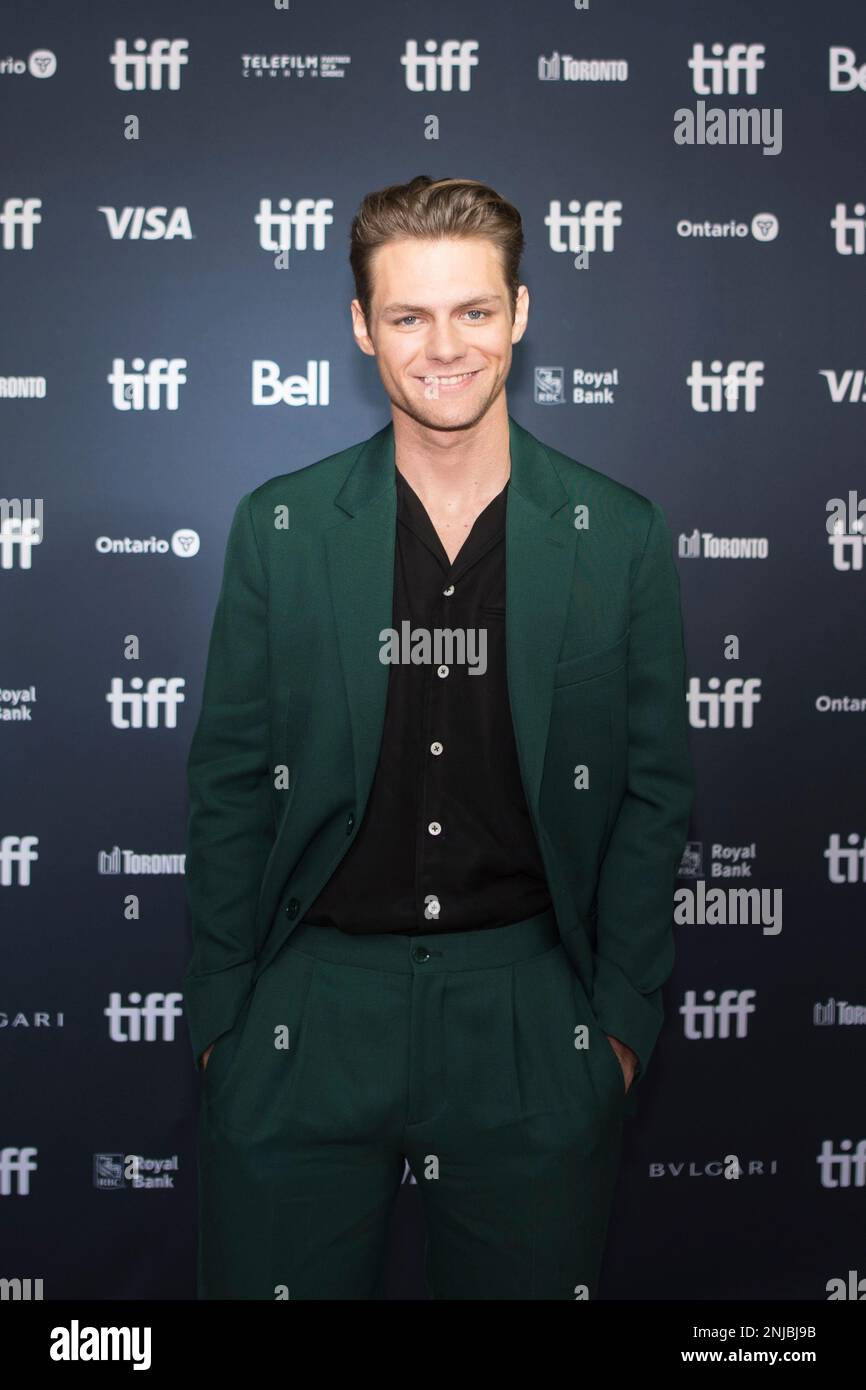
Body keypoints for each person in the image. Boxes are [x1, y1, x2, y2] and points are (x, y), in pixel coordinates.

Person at [183, 174, 695, 1300]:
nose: (443, 346)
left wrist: (613, 1025)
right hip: (309, 1010)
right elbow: (228, 782)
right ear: (361, 329)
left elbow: (654, 795)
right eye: (407, 316)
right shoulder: (283, 527)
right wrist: (225, 1019)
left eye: (471, 310)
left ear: (519, 313)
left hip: (527, 1013)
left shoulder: (614, 534)